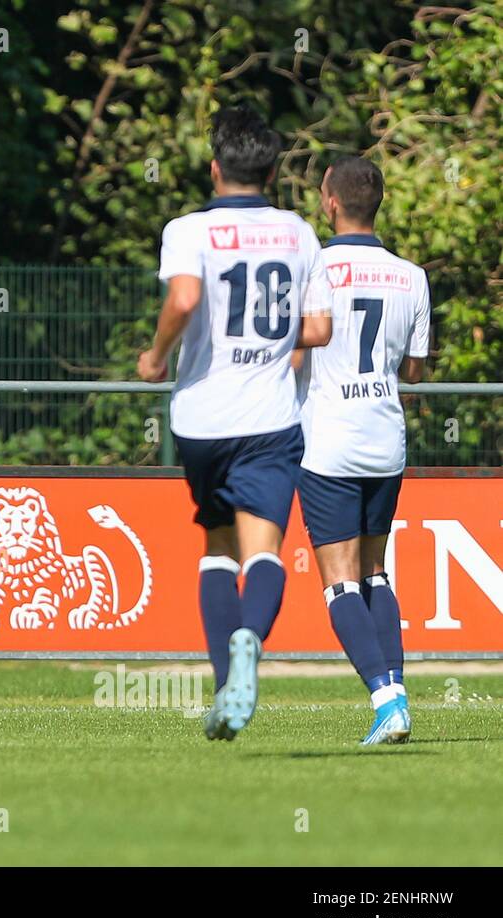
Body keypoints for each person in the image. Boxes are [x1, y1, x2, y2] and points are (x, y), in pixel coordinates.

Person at [138, 106, 332, 740]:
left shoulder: (187, 229)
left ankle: (226, 689)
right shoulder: (299, 232)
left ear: (215, 167)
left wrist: (157, 354)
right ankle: (252, 638)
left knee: (217, 547)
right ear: (271, 171)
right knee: (265, 552)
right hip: (272, 418)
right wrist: (272, 340)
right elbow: (321, 328)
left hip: (202, 418)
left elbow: (186, 298)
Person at [297, 157, 430, 744]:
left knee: (339, 581)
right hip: (385, 439)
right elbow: (417, 373)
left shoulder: (311, 269)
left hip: (328, 441)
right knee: (376, 571)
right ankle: (396, 696)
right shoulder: (412, 276)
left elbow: (293, 352)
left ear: (330, 203)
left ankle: (384, 700)